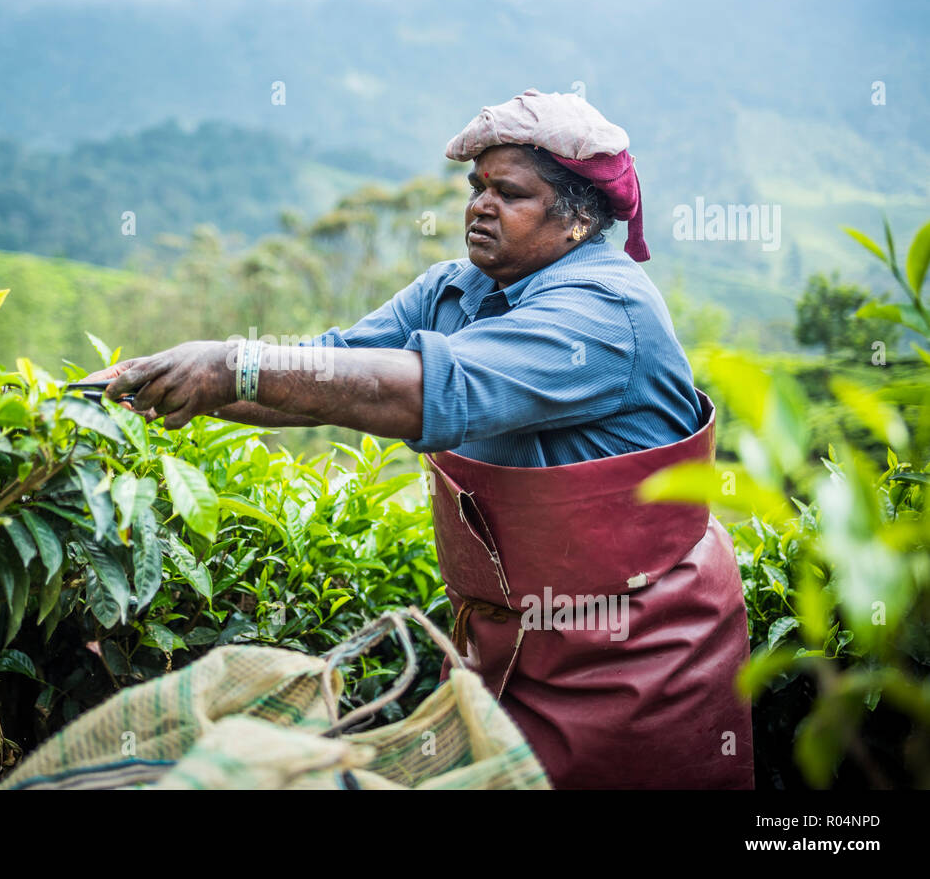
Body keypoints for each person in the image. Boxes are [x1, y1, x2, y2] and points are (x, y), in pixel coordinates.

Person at [90, 89, 754, 789]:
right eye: (477, 188)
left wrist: (235, 364)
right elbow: (326, 364)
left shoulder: (603, 314)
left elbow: (416, 389)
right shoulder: (456, 289)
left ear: (579, 217)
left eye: (511, 192)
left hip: (635, 659)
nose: (480, 206)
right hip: (506, 648)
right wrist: (169, 383)